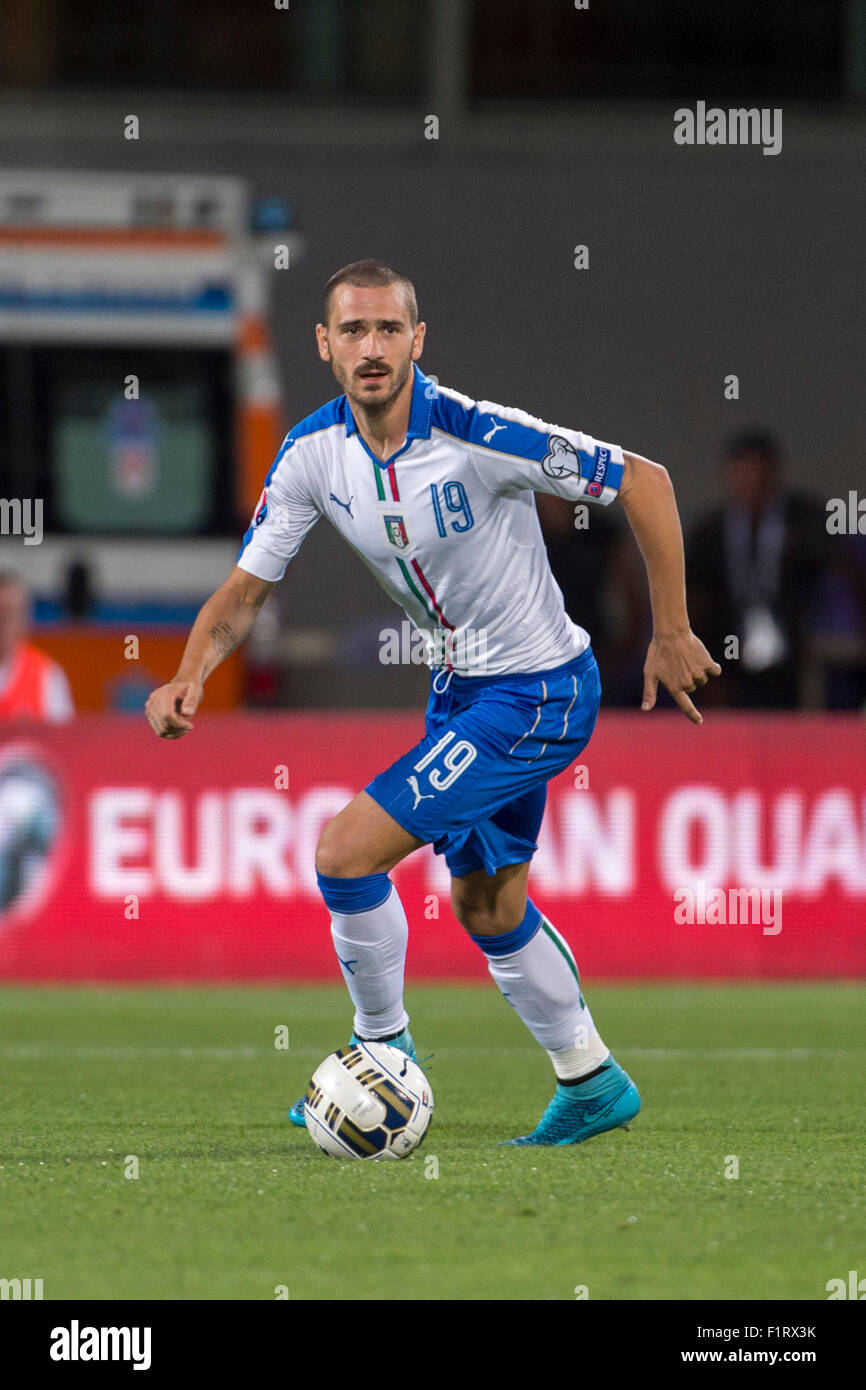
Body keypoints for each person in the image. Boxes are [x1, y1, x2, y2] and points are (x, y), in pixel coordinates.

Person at [145, 260, 719, 1147]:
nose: (371, 349)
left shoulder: (481, 435)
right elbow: (244, 594)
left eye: (388, 330)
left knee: (344, 855)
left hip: (539, 692)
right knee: (486, 904)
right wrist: (190, 672)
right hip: (461, 691)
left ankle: (382, 1051)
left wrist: (672, 630)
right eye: (353, 332)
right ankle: (592, 1082)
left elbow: (645, 481)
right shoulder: (311, 456)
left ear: (418, 340)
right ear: (325, 346)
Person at [686, 430, 831, 708]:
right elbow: (694, 600)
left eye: (760, 475)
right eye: (744, 474)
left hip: (793, 652)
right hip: (725, 652)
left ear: (774, 474)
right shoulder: (710, 531)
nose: (752, 484)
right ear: (730, 475)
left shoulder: (804, 521)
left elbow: (834, 579)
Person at [0, 571, 75, 723]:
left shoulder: (47, 675)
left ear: (24, 619)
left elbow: (63, 741)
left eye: (9, 613)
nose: (2, 622)